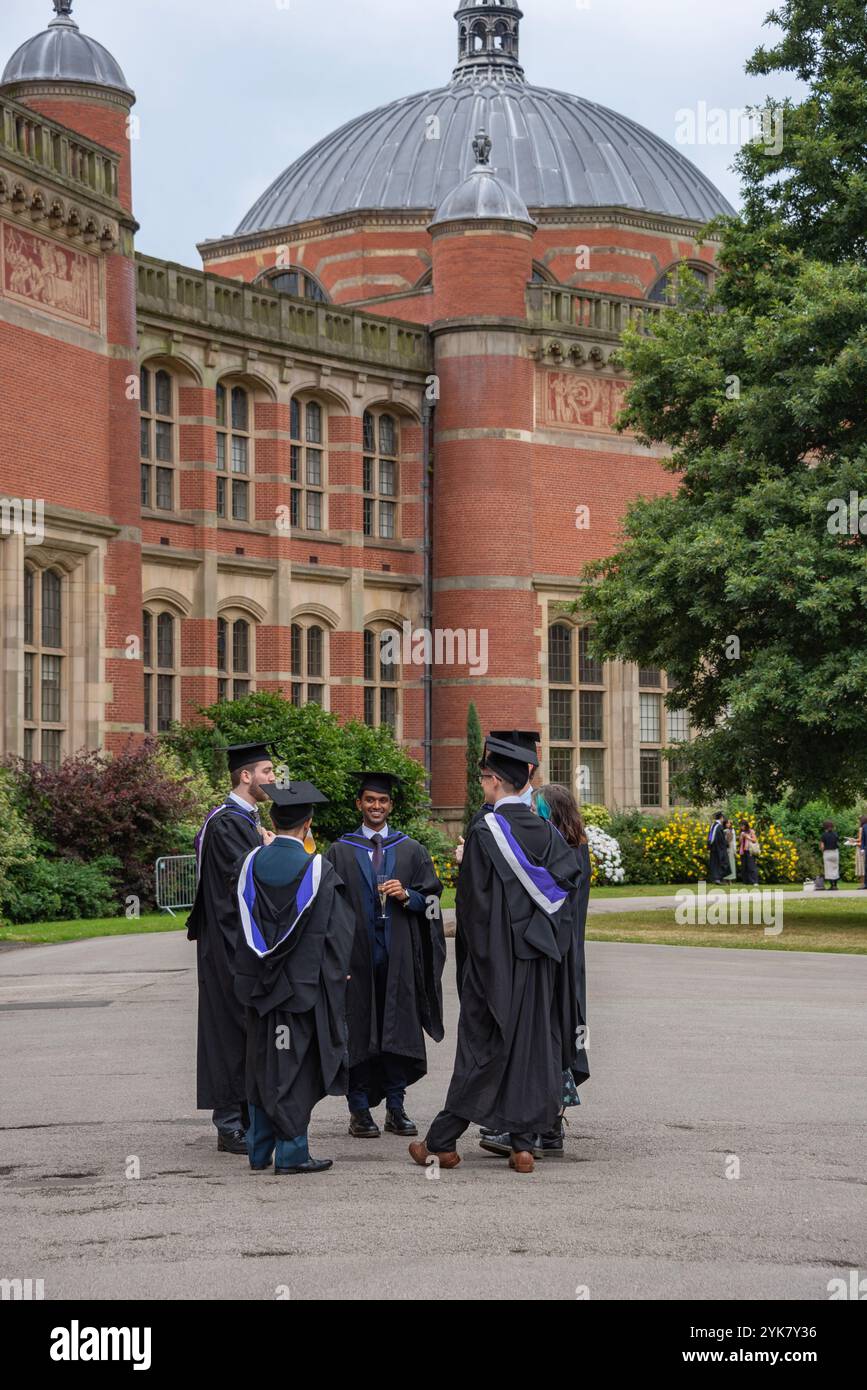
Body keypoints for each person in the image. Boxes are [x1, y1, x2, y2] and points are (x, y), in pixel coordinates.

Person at [410, 734, 584, 1175]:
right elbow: (568, 882)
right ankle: (523, 1146)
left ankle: (441, 1141)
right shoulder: (545, 830)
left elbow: (472, 906)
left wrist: (475, 957)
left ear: (492, 781)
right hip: (537, 959)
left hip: (495, 963)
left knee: (483, 1046)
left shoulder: (485, 830)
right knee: (528, 1046)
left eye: (484, 778)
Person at [232, 782, 355, 1175]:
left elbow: (236, 927)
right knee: (293, 1067)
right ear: (308, 823)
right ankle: (291, 1151)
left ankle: (258, 1147)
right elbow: (335, 935)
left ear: (272, 819)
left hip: (257, 987)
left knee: (261, 1061)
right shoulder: (318, 869)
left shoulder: (249, 864)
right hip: (300, 990)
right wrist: (338, 979)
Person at [325, 772, 446, 1139]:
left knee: (396, 1031)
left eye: (383, 801)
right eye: (370, 800)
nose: (376, 806)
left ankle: (396, 1107)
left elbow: (434, 904)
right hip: (357, 961)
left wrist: (409, 896)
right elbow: (327, 910)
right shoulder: (340, 851)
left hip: (399, 960)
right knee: (358, 1031)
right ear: (359, 804)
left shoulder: (412, 850)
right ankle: (359, 1110)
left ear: (390, 805)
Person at [187, 743, 276, 1153]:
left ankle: (244, 1114)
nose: (274, 779)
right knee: (227, 1027)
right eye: (268, 771)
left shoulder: (246, 820)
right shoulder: (226, 824)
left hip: (238, 943)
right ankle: (229, 1123)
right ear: (246, 776)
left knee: (246, 1027)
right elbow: (241, 880)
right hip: (225, 944)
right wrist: (271, 851)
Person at [707, 812, 729, 884]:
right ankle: (718, 879)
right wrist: (726, 844)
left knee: (714, 863)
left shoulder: (712, 825)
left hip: (713, 848)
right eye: (723, 818)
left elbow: (710, 836)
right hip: (719, 848)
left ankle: (715, 878)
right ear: (721, 818)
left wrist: (709, 845)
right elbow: (721, 839)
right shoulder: (719, 826)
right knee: (721, 862)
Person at [819, 820, 840, 891]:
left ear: (825, 827)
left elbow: (822, 846)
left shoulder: (823, 835)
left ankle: (832, 886)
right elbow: (837, 842)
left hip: (827, 853)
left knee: (829, 869)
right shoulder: (835, 834)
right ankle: (836, 885)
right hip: (835, 852)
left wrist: (822, 852)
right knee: (835, 868)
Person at [738, 820, 760, 886]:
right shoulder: (741, 832)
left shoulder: (751, 831)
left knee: (751, 866)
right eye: (740, 825)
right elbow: (740, 842)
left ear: (745, 825)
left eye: (742, 825)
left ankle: (754, 881)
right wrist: (741, 837)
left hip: (749, 850)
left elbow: (754, 840)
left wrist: (748, 837)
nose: (741, 827)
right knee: (744, 867)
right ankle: (746, 881)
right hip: (743, 850)